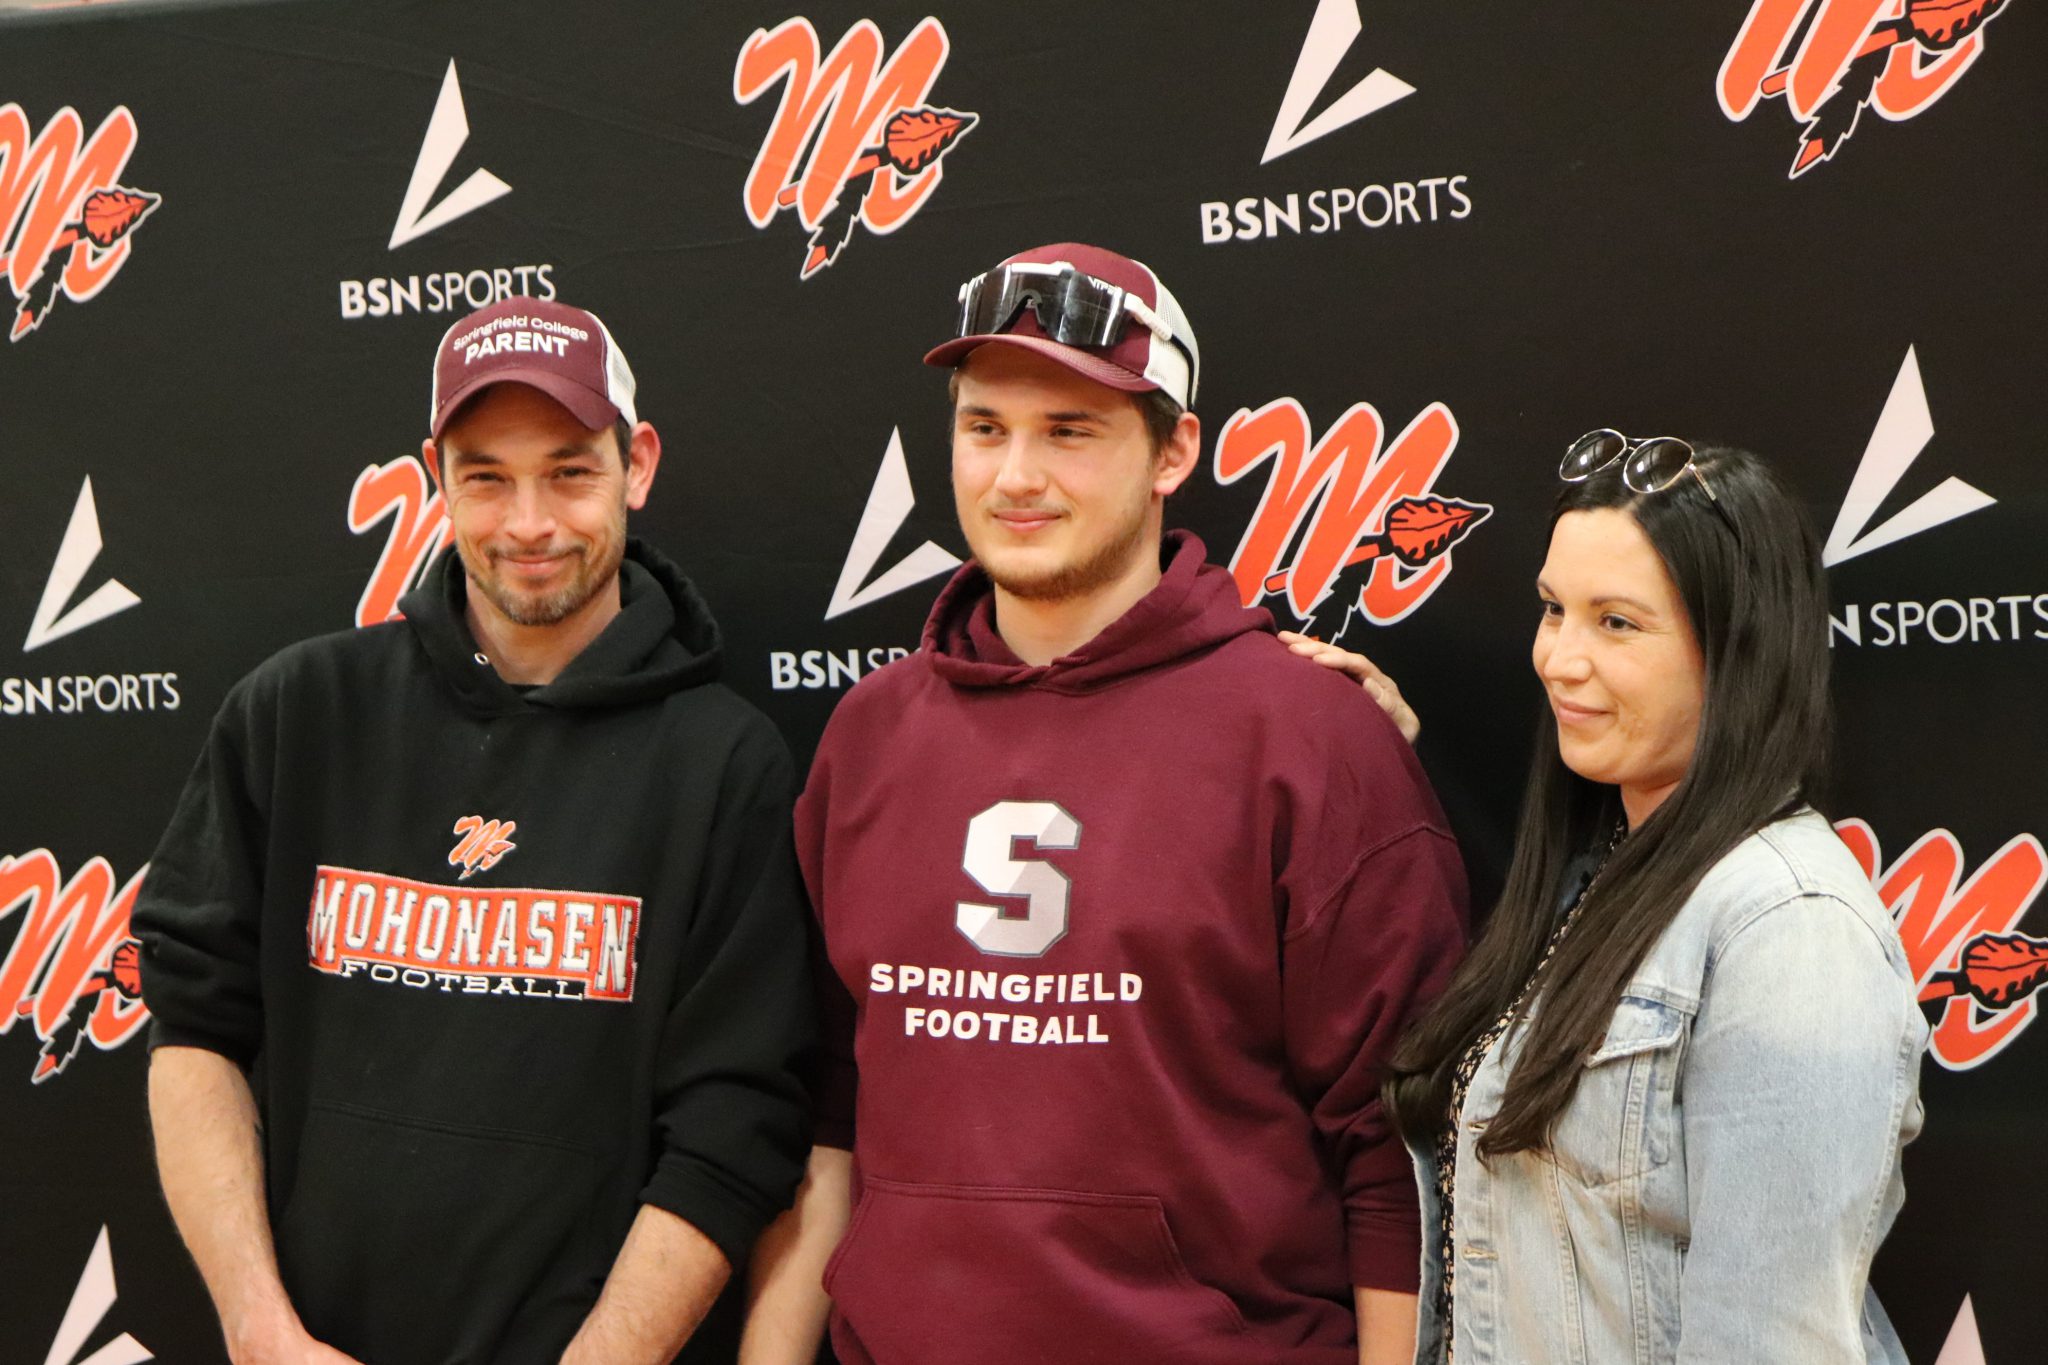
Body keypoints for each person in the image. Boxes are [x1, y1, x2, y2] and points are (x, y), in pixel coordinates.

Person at [740, 244, 1469, 1365]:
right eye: (984, 429)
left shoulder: (1309, 738)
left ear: (1172, 447)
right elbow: (833, 1112)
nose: (1013, 476)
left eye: (1069, 432)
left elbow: (1397, 1155)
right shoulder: (867, 734)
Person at [134, 298, 815, 1365]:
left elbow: (735, 1128)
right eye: (486, 476)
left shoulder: (725, 763)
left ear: (635, 465)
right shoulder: (295, 712)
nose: (529, 523)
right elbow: (194, 1035)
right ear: (433, 473)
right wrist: (260, 1330)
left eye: (569, 472)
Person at [1292, 431, 1928, 1364]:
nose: (1560, 658)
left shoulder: (1791, 926)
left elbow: (1771, 1343)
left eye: (1617, 622)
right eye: (1554, 609)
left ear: (1739, 651)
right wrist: (1365, 755)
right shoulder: (1603, 882)